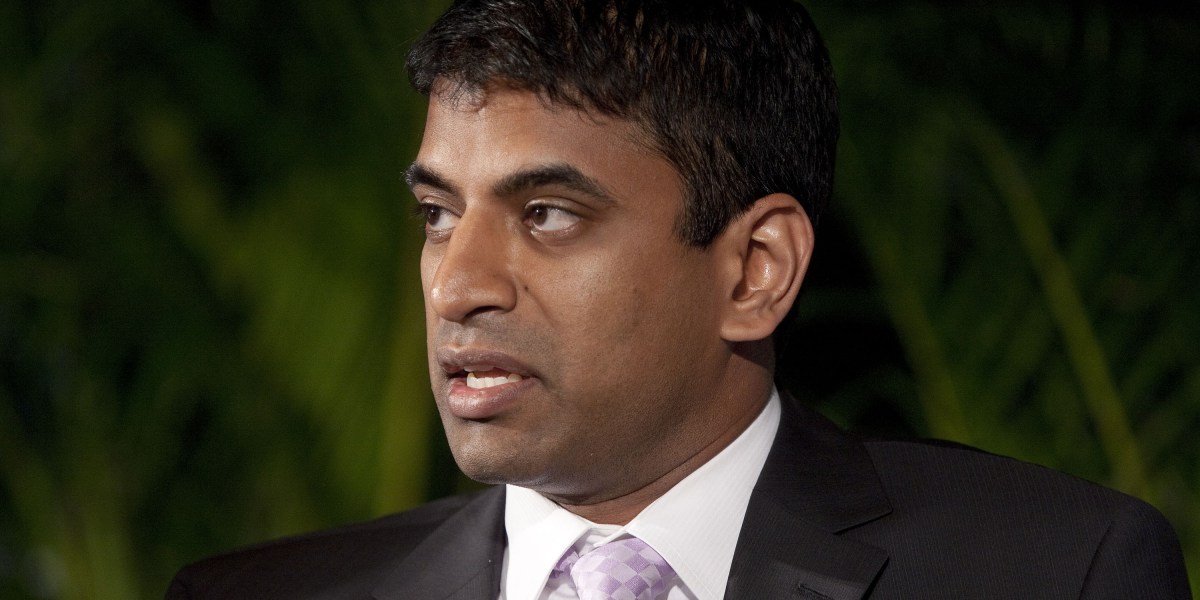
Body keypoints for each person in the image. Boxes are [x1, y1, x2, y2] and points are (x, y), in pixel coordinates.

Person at [165, 0, 1191, 598]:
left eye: (547, 214)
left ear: (756, 271)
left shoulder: (1058, 573)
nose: (456, 284)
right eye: (439, 213)